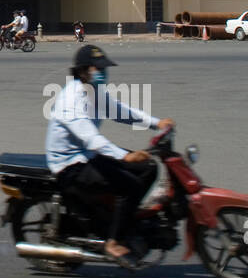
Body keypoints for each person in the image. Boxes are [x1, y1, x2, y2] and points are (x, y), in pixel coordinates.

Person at [45, 44, 175, 265]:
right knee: (130, 186)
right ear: (83, 71)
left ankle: (124, 220)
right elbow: (91, 139)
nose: (104, 73)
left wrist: (156, 123)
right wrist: (123, 156)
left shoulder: (93, 91)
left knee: (149, 167)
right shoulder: (71, 99)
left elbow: (120, 111)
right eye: (99, 68)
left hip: (88, 155)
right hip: (70, 165)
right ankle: (113, 241)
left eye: (104, 68)